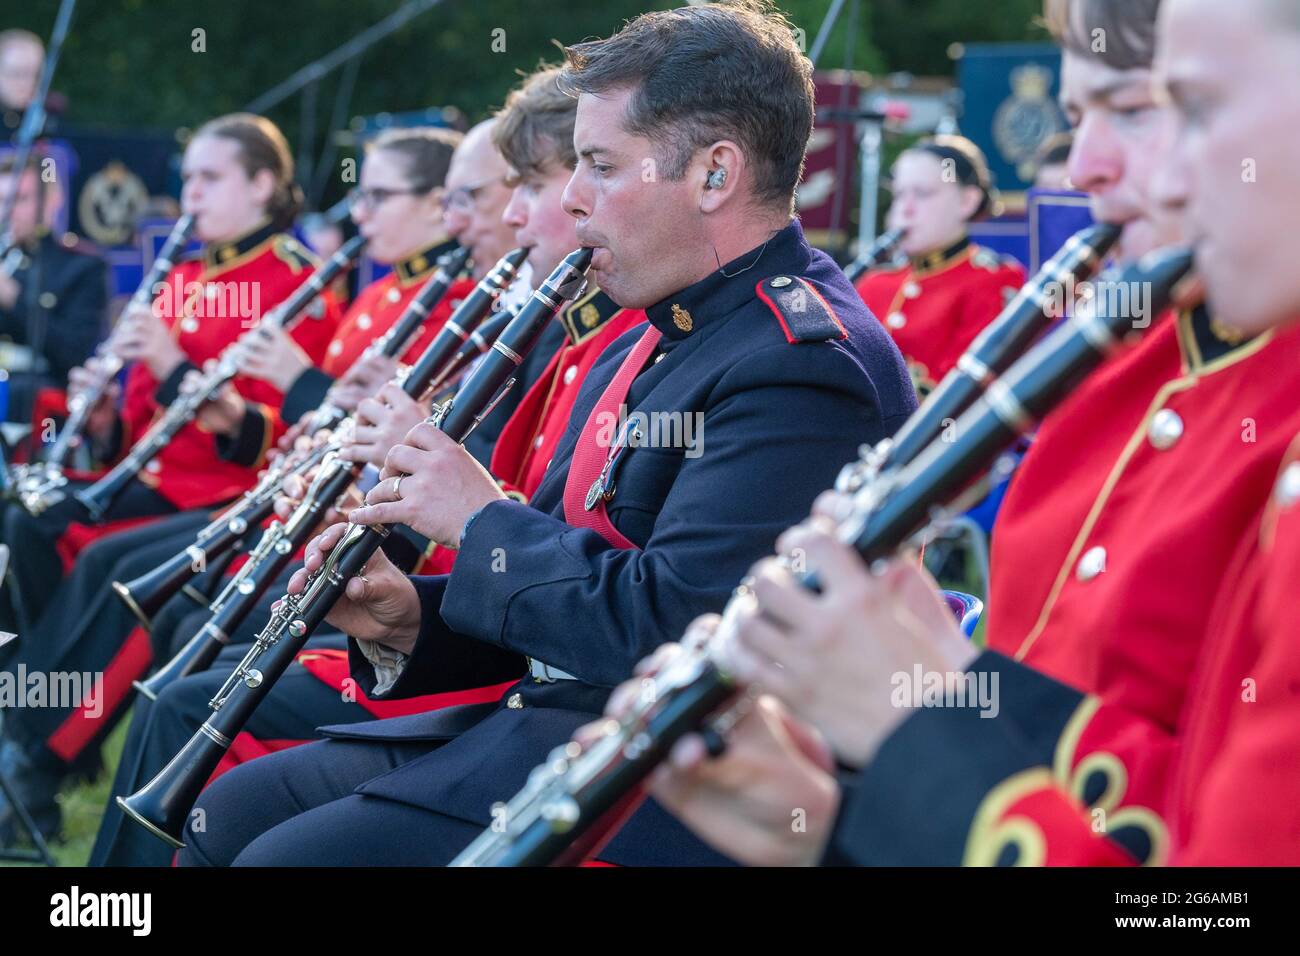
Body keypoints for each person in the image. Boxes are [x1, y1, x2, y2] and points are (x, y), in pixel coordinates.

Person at [175, 0, 916, 867]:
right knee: (224, 814)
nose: (571, 196)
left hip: (663, 786)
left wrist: (480, 519)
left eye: (600, 165)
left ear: (716, 175)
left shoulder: (800, 365)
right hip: (552, 731)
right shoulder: (651, 333)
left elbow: (676, 634)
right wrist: (411, 619)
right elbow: (573, 586)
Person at [578, 0, 1300, 867]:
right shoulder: (1120, 374)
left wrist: (919, 718)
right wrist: (827, 821)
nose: (1092, 168)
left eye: (1162, 109)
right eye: (1079, 121)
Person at [91, 69, 646, 865]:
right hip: (450, 610)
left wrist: (399, 452)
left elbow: (545, 522)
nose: (497, 217)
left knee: (189, 702)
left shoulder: (599, 336)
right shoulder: (473, 312)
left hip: (495, 651)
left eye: (511, 190)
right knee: (185, 644)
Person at [0, 113, 341, 630]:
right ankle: (29, 662)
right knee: (19, 511)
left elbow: (284, 436)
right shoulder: (181, 276)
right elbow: (140, 423)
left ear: (261, 184)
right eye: (188, 179)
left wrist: (170, 364)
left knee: (41, 523)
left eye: (210, 179)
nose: (192, 194)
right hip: (147, 479)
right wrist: (104, 421)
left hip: (219, 493)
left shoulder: (298, 283)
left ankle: (49, 689)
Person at [854, 135, 1025, 393]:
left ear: (967, 201)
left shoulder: (995, 279)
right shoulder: (873, 284)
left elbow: (963, 392)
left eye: (922, 194)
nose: (905, 209)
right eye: (900, 194)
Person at [0, 153, 107, 426]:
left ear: (51, 201)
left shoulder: (81, 266)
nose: (6, 212)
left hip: (34, 411)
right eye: (1, 201)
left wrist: (15, 300)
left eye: (20, 200)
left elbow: (73, 354)